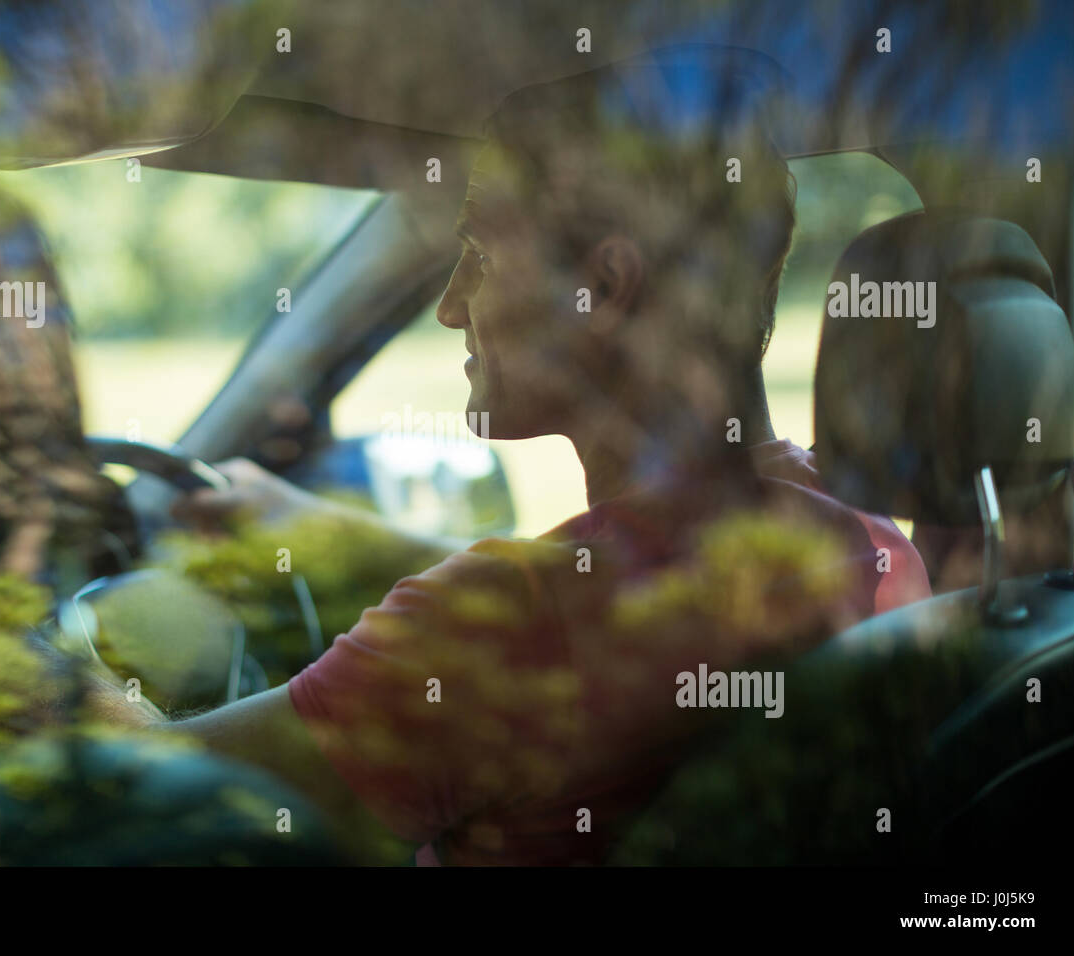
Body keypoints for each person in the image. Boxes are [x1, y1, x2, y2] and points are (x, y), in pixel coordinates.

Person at [89, 58, 931, 865]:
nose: (452, 306)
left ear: (602, 288)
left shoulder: (506, 625)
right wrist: (326, 535)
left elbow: (136, 799)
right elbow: (606, 601)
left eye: (482, 257)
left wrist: (19, 669)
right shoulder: (870, 542)